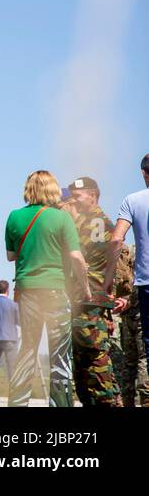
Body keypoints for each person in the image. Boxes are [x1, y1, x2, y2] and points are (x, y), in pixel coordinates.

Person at [4, 169, 87, 408]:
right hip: (55, 291)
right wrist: (85, 288)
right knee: (59, 353)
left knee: (28, 347)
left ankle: (18, 404)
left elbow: (11, 256)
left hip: (27, 291)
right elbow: (76, 257)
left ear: (28, 190)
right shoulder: (62, 218)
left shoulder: (14, 216)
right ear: (52, 190)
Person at [62, 176, 126, 406]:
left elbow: (115, 257)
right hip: (83, 299)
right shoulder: (85, 220)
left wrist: (111, 287)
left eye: (78, 197)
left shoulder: (96, 223)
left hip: (90, 298)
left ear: (93, 195)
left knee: (94, 357)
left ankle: (108, 401)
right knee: (82, 361)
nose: (74, 202)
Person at [104, 154, 149, 390]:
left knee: (145, 353)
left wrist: (107, 283)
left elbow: (116, 240)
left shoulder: (133, 200)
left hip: (145, 283)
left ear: (143, 173)